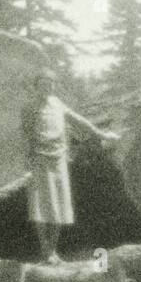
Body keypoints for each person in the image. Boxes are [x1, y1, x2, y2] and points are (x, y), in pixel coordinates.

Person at [22, 71, 120, 264]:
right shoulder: (29, 107)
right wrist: (27, 162)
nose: (47, 87)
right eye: (42, 84)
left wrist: (102, 134)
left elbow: (78, 121)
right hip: (40, 159)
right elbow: (25, 135)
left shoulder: (57, 104)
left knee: (59, 205)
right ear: (36, 86)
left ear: (53, 86)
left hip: (59, 159)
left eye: (50, 84)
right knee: (42, 207)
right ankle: (46, 252)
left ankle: (53, 251)